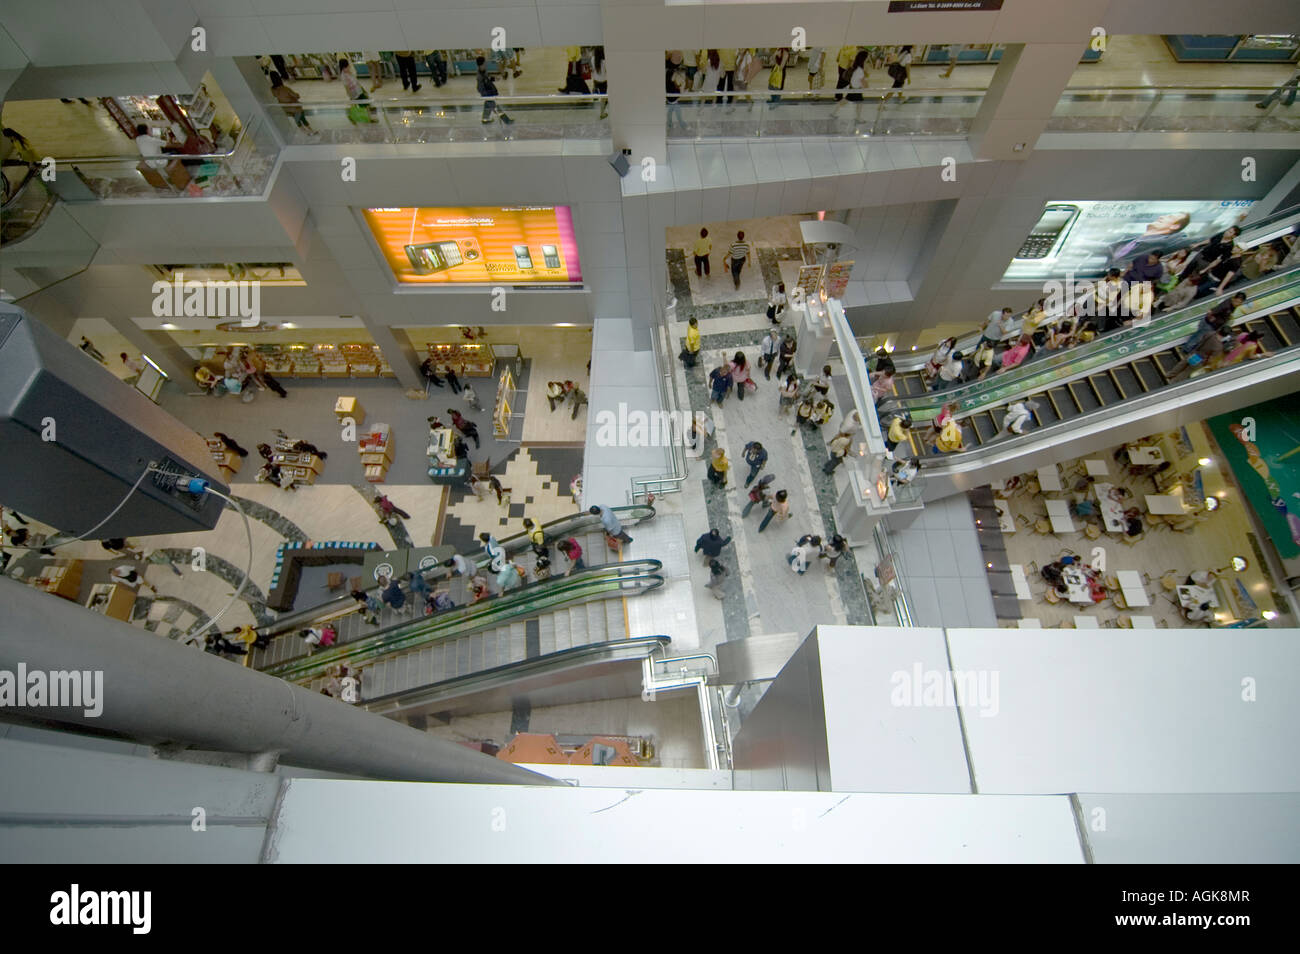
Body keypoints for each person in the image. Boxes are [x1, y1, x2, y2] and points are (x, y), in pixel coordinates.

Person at [476, 56, 514, 126]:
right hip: (487, 95)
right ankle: (507, 121)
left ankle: (485, 119)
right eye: (485, 63)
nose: (486, 64)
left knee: (487, 106)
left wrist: (494, 79)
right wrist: (486, 96)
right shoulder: (479, 76)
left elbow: (488, 78)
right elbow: (480, 87)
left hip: (489, 93)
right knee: (496, 108)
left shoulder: (484, 71)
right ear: (482, 64)